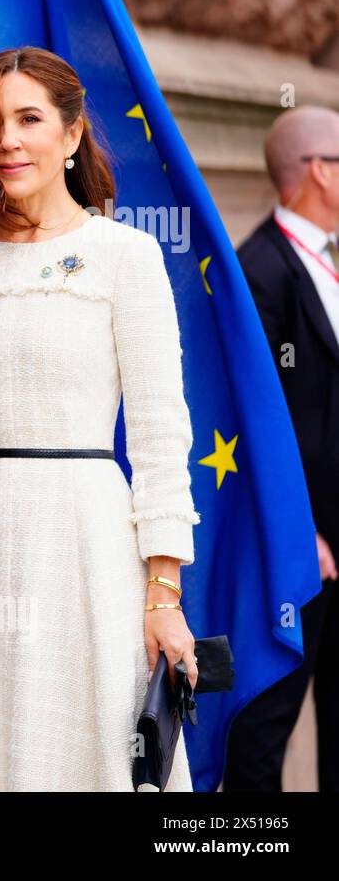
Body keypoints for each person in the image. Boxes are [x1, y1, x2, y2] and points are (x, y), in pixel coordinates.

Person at [0, 46, 200, 790]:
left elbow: (163, 437)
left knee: (92, 755)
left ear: (71, 135)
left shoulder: (125, 256)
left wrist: (163, 597)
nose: (6, 140)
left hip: (90, 552)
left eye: (29, 118)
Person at [226, 105, 339, 792]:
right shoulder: (259, 270)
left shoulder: (325, 260)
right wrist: (302, 534)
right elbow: (259, 422)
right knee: (265, 732)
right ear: (322, 171)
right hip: (301, 555)